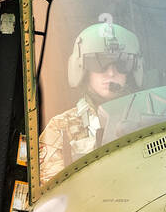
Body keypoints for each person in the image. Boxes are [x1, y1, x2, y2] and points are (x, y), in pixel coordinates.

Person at [37, 20, 142, 186]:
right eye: (99, 63)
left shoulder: (149, 118)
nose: (111, 72)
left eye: (122, 64)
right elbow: (52, 195)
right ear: (83, 69)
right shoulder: (60, 128)